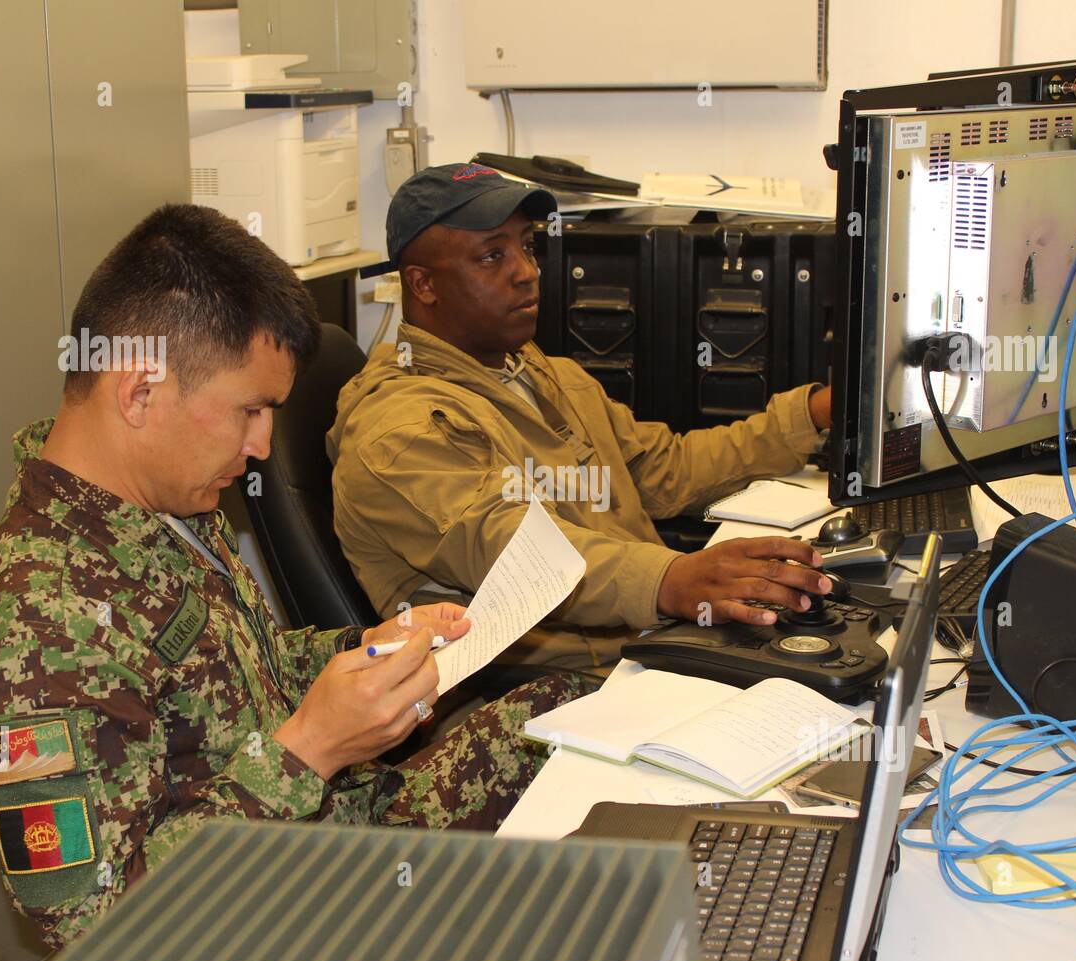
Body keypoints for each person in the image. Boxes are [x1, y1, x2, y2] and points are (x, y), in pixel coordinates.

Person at [0, 204, 594, 951]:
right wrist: (312, 748)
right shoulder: (23, 628)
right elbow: (99, 932)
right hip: (272, 926)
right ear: (140, 392)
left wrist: (371, 648)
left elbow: (243, 674)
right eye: (250, 409)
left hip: (338, 840)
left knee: (576, 721)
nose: (261, 445)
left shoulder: (166, 505)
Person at [327, 163, 833, 674]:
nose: (526, 270)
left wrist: (810, 416)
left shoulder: (539, 373)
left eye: (527, 246)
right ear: (423, 285)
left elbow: (666, 471)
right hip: (543, 691)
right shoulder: (399, 432)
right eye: (491, 256)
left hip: (641, 643)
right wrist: (672, 580)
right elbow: (519, 556)